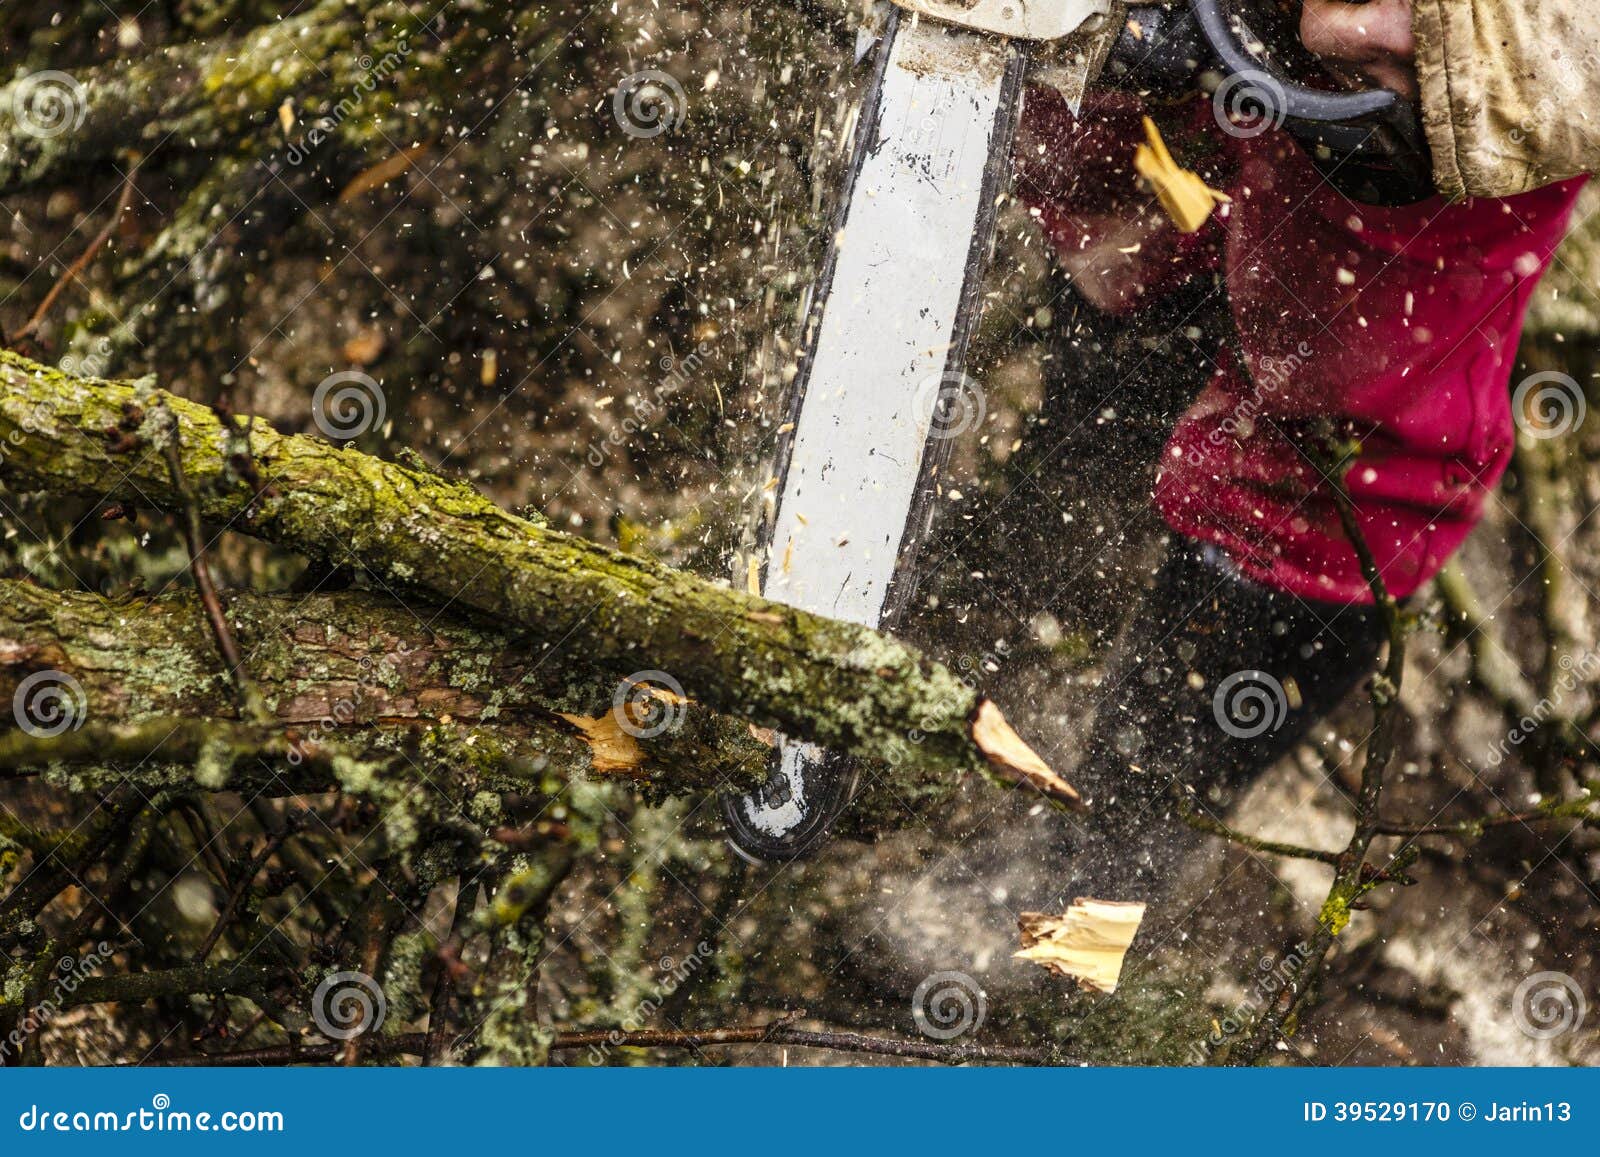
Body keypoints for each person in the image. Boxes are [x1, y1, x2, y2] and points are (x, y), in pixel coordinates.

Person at [1015, 0, 1596, 900]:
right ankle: (1045, 532)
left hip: (1490, 95)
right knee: (1109, 147)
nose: (1340, 32)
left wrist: (1454, 56)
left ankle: (1097, 871)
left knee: (1346, 419)